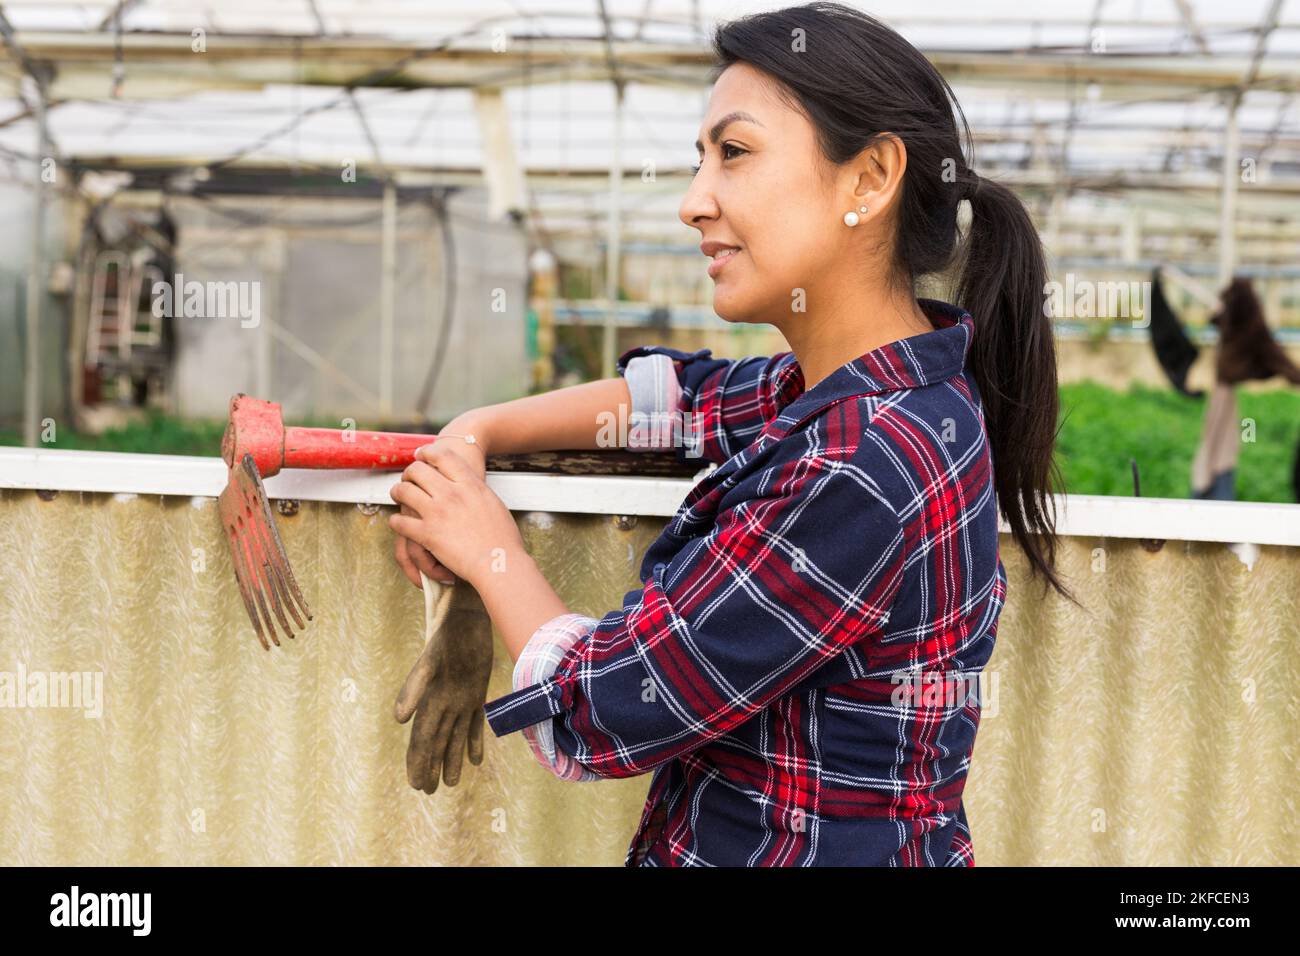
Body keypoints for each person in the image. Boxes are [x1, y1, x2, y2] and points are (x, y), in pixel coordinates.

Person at [388, 1, 1075, 866]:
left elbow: (598, 709)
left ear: (870, 179)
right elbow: (674, 401)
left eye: (735, 153)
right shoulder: (867, 394)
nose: (692, 202)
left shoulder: (864, 461)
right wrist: (478, 431)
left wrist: (488, 551)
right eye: (698, 160)